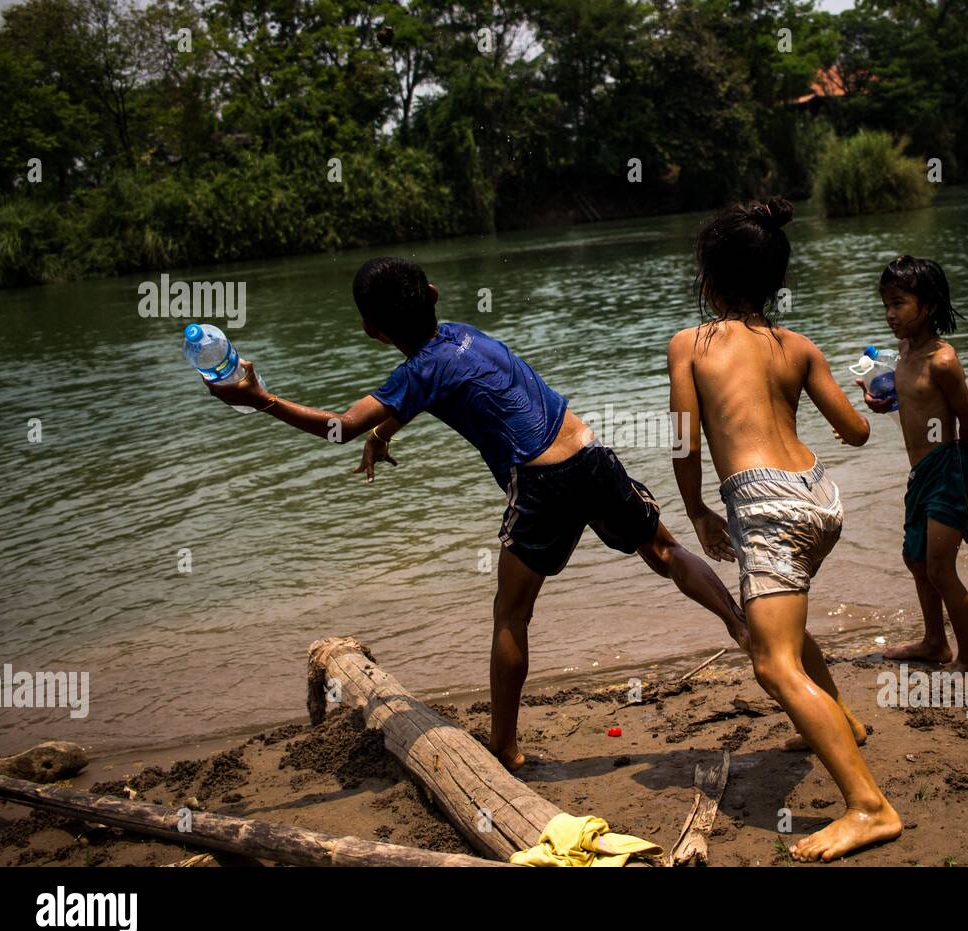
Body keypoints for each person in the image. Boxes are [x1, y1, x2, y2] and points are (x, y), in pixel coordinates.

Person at [205, 256, 751, 771]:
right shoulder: (467, 334)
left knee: (511, 613)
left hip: (540, 481)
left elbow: (340, 426)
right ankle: (742, 627)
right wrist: (386, 430)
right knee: (665, 550)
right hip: (586, 447)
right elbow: (445, 389)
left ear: (372, 331)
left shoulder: (417, 370)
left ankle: (505, 749)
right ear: (435, 295)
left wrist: (263, 401)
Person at [667, 198, 901, 861]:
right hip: (820, 497)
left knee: (772, 662)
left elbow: (684, 442)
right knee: (786, 626)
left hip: (766, 506)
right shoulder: (797, 346)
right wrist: (872, 400)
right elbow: (856, 432)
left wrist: (696, 512)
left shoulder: (691, 344)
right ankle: (843, 720)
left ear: (708, 280)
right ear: (774, 282)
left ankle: (869, 807)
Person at [857, 255, 968, 673]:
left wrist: (961, 470)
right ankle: (934, 642)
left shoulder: (942, 360)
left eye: (898, 304)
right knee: (915, 560)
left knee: (941, 569)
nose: (890, 314)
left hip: (946, 469)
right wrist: (881, 401)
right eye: (885, 305)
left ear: (926, 306)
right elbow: (910, 401)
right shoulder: (906, 349)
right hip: (920, 472)